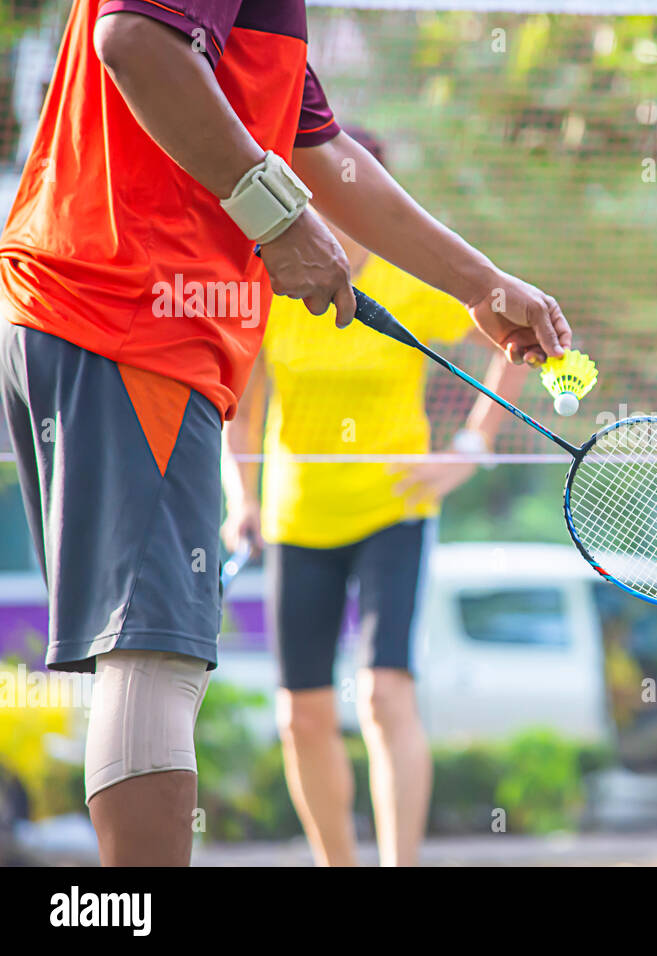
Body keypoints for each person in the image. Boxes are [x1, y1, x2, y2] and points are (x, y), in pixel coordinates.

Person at [0, 1, 569, 867]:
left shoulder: (269, 29)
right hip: (129, 316)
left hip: (123, 323)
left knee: (152, 658)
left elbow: (323, 154)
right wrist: (274, 213)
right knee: (153, 657)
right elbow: (135, 40)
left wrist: (479, 283)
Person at [221, 129, 527, 867]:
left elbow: (514, 339)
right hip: (300, 514)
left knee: (386, 696)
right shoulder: (278, 279)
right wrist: (242, 501)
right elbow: (246, 409)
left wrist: (468, 453)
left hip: (397, 509)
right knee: (302, 716)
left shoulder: (412, 280)